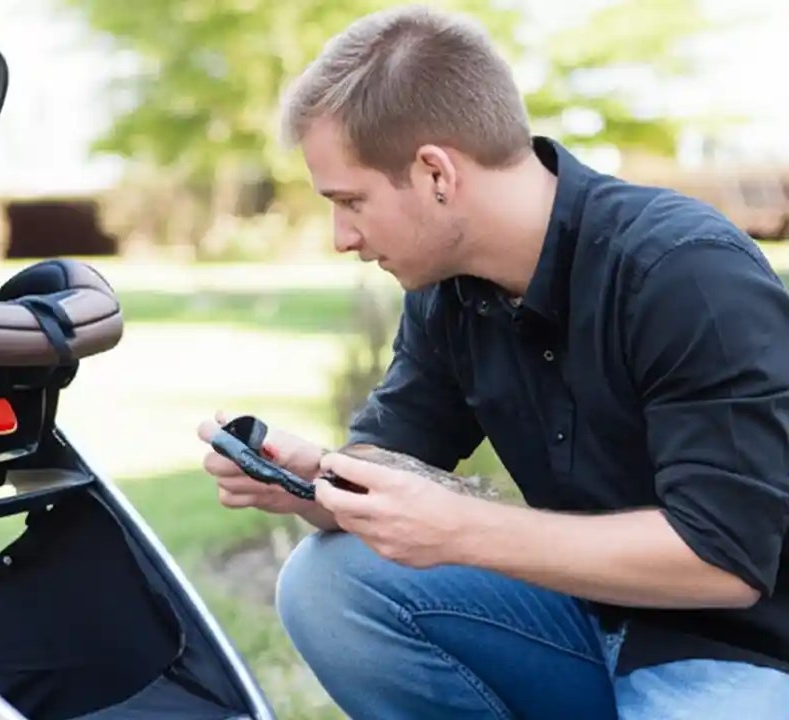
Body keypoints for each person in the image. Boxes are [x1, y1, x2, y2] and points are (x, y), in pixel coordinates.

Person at [195, 5, 789, 719]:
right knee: (330, 584)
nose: (340, 237)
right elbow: (393, 464)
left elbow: (726, 560)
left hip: (746, 651)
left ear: (436, 172)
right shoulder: (449, 295)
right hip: (590, 622)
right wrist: (311, 482)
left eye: (350, 201)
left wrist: (461, 526)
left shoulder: (682, 272)